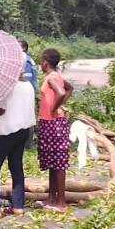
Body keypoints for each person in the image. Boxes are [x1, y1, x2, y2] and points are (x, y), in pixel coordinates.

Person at [0, 71, 37, 220]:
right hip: (23, 130)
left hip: (7, 132)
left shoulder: (6, 87)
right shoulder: (28, 85)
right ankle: (18, 206)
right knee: (16, 167)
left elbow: (1, 110)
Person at [36, 48, 73, 210]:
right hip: (48, 122)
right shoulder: (57, 76)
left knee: (58, 162)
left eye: (41, 61)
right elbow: (69, 88)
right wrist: (59, 105)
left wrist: (55, 107)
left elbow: (60, 92)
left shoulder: (51, 78)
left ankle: (61, 202)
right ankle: (51, 198)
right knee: (52, 161)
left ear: (45, 62)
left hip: (53, 123)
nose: (40, 64)